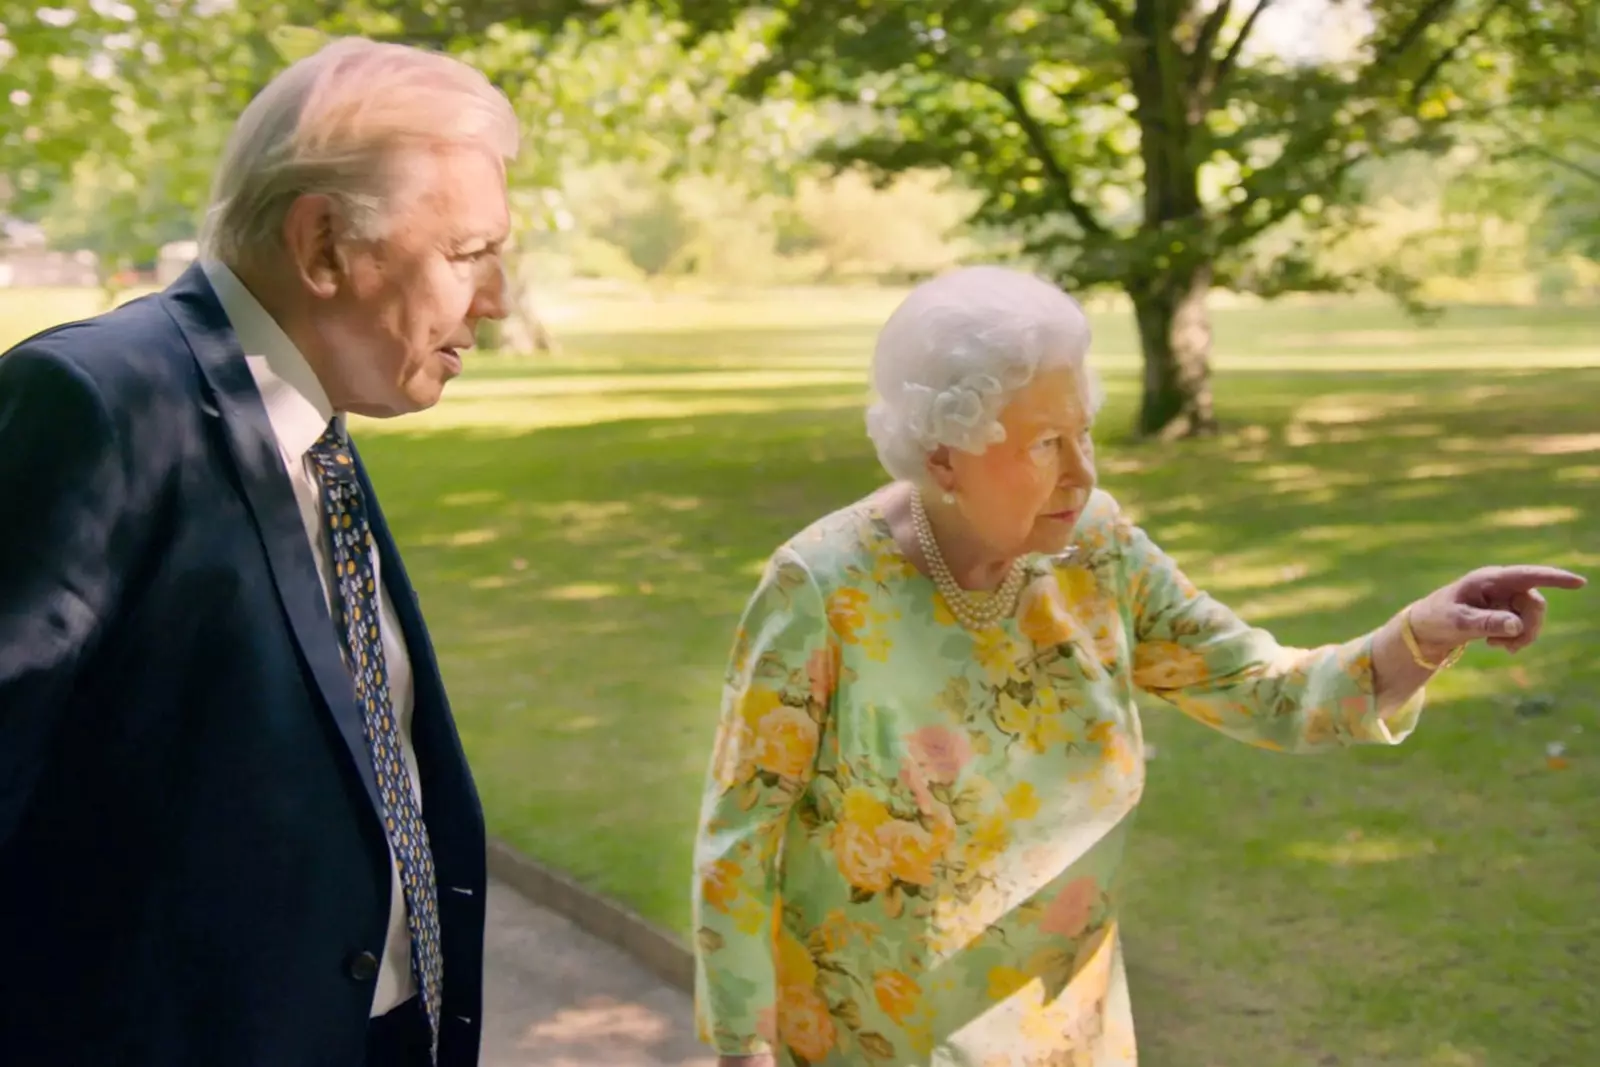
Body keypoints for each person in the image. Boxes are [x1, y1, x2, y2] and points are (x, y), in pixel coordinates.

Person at [689, 266, 1586, 1067]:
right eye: (1044, 444)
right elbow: (743, 831)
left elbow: (1266, 689)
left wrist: (1422, 633)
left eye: (1085, 432)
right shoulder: (823, 587)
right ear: (941, 456)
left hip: (1064, 1032)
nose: (1080, 473)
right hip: (866, 1036)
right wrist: (741, 1045)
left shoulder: (1099, 551)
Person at [0, 37, 517, 1067]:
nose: (495, 300)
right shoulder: (97, 403)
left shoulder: (311, 425)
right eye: (466, 254)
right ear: (323, 244)